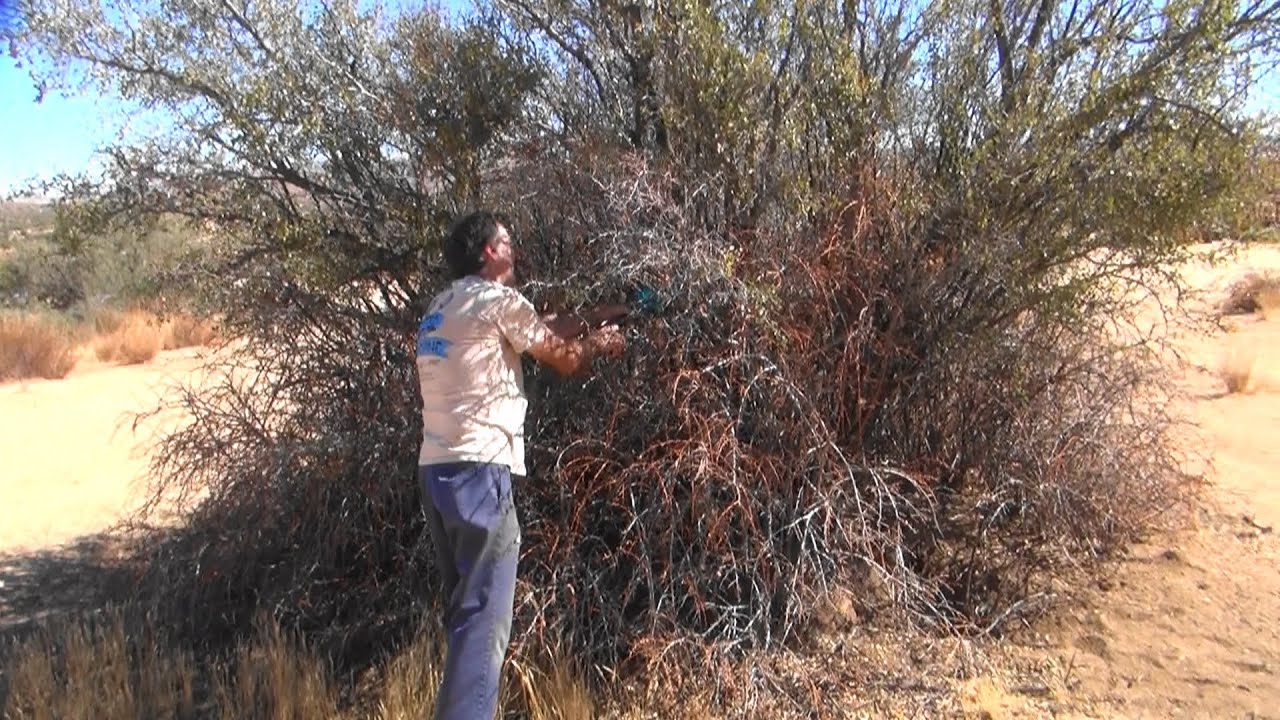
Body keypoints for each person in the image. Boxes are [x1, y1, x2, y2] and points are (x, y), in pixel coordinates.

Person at [414, 210, 627, 720]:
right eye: (506, 240)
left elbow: (536, 330)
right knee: (485, 628)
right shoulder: (497, 301)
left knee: (467, 622)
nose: (514, 247)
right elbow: (563, 357)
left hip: (437, 473)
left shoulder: (445, 306)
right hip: (480, 475)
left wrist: (596, 313)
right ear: (490, 251)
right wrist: (602, 342)